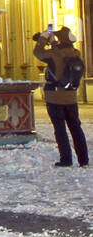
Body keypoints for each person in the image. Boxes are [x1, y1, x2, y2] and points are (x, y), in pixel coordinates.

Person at [33, 27, 88, 167]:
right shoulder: (76, 53)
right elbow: (60, 53)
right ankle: (83, 159)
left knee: (60, 129)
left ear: (60, 40)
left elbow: (38, 52)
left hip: (55, 97)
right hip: (71, 97)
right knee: (76, 128)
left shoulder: (54, 54)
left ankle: (66, 159)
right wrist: (53, 43)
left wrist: (43, 38)